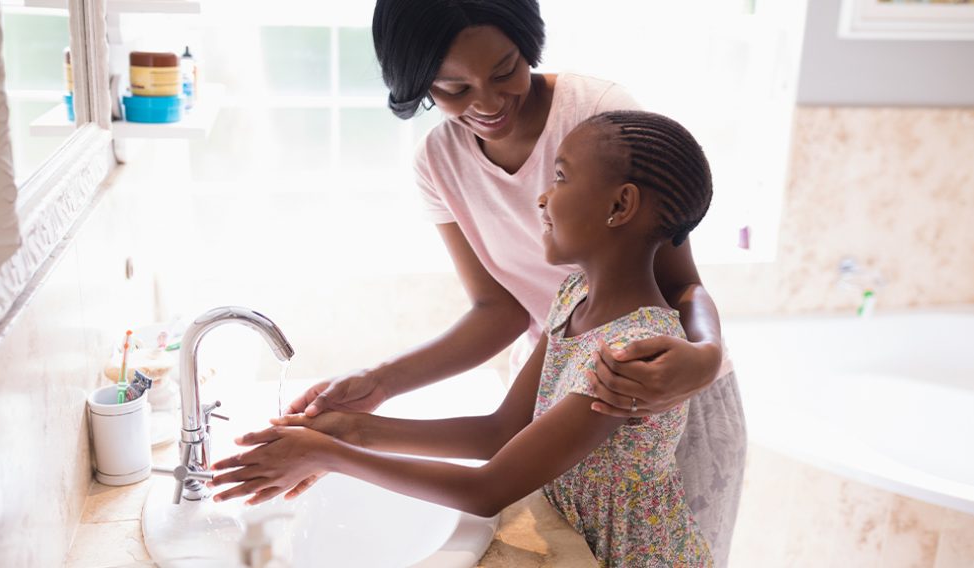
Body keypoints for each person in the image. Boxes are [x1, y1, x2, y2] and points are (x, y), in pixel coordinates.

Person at [287, 1, 746, 564]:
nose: (487, 102)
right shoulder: (444, 166)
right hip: (557, 387)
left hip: (664, 385)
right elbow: (498, 310)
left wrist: (702, 353)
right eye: (453, 87)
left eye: (505, 70)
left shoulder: (598, 121)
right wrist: (374, 394)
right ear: (420, 81)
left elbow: (681, 283)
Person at [211, 110, 717, 567]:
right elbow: (503, 431)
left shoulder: (630, 355)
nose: (542, 197)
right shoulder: (574, 297)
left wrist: (328, 455)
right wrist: (354, 429)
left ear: (620, 204)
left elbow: (488, 488)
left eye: (560, 177)